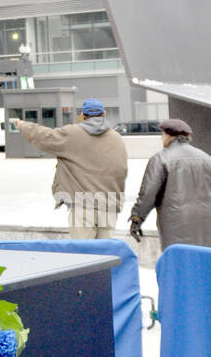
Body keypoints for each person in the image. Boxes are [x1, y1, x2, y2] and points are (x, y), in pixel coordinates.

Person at [14, 98, 127, 238]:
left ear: (83, 116)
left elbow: (45, 136)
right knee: (105, 253)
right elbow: (121, 170)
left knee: (84, 254)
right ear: (104, 114)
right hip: (110, 204)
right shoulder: (116, 138)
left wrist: (23, 125)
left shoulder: (72, 134)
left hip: (83, 205)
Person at [129, 118, 211, 251]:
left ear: (168, 135)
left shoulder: (161, 158)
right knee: (203, 263)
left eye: (162, 134)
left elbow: (148, 193)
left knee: (177, 262)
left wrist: (137, 218)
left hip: (175, 225)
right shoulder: (206, 158)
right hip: (206, 223)